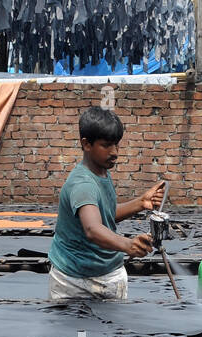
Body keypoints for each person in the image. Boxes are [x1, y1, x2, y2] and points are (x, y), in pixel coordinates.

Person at [48, 106, 166, 301]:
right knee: (78, 332)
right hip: (73, 281)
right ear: (86, 144)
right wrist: (128, 245)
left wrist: (140, 203)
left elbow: (103, 216)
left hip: (109, 272)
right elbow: (93, 228)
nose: (115, 152)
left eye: (117, 145)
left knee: (109, 331)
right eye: (106, 145)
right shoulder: (82, 184)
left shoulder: (101, 172)